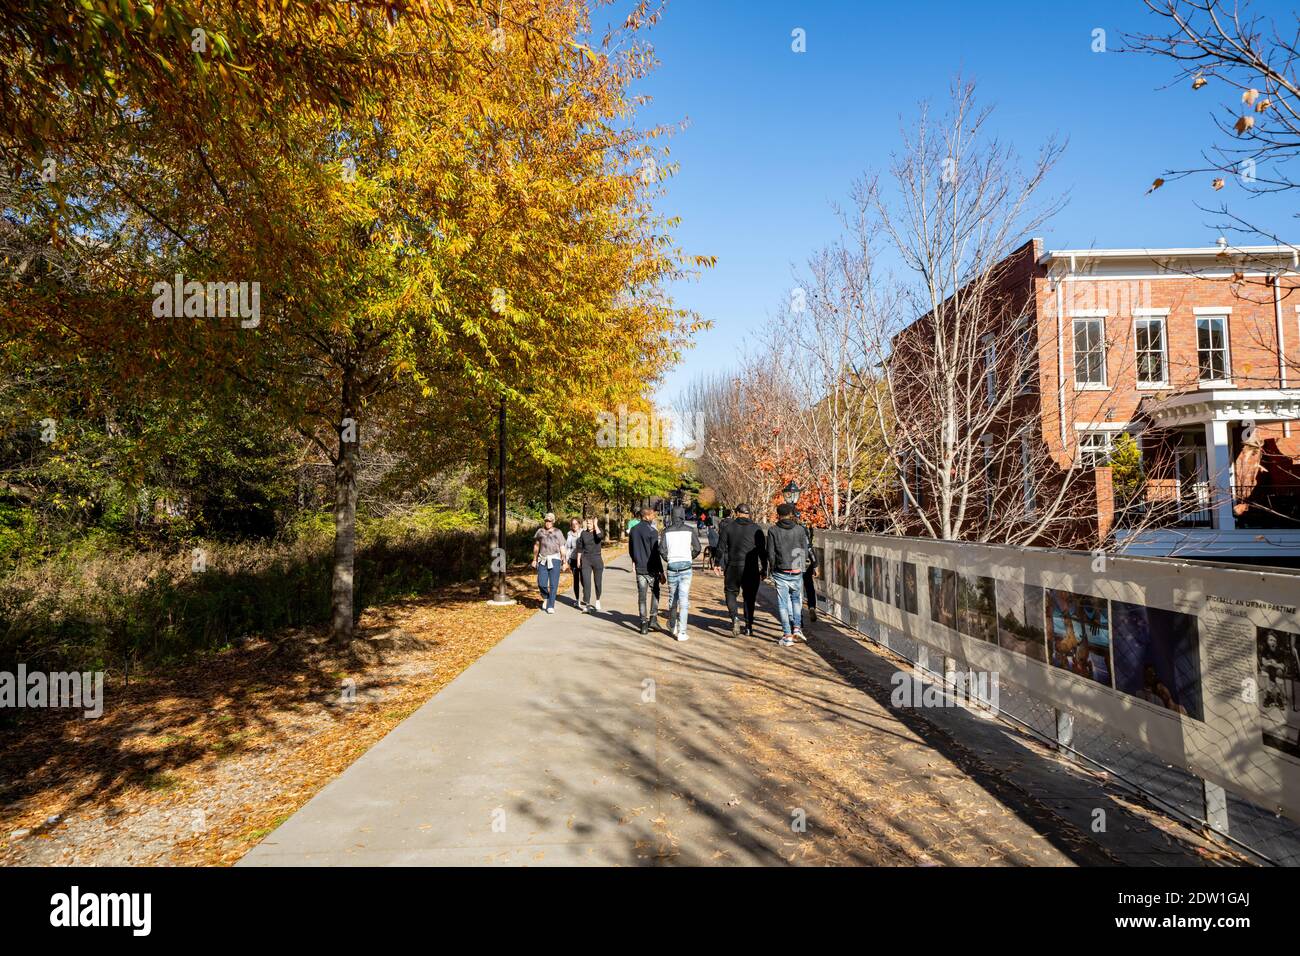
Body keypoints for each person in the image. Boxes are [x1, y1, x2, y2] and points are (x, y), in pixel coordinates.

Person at [714, 503, 765, 637]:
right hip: (751, 567)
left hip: (733, 566)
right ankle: (748, 627)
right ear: (749, 514)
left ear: (737, 513)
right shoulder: (756, 528)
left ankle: (735, 618)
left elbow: (720, 547)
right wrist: (765, 567)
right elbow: (762, 551)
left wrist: (717, 562)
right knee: (749, 597)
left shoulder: (728, 527)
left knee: (730, 592)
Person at [766, 503, 808, 646]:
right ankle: (797, 628)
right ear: (791, 514)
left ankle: (787, 635)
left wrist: (772, 568)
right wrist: (800, 567)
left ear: (778, 514)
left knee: (783, 604)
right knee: (796, 600)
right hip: (796, 570)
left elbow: (770, 553)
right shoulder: (800, 530)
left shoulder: (773, 530)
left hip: (780, 570)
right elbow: (804, 550)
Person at [658, 506, 701, 641]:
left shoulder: (666, 531)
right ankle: (682, 632)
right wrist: (689, 557)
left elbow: (662, 550)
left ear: (672, 516)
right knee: (684, 599)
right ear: (683, 516)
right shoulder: (690, 530)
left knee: (673, 598)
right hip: (685, 567)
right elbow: (698, 548)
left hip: (672, 567)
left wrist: (668, 559)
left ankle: (672, 625)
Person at [628, 507, 663, 634]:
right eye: (652, 514)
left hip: (640, 567)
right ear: (646, 516)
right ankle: (653, 618)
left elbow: (631, 550)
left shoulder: (633, 530)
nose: (654, 516)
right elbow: (655, 553)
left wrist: (636, 560)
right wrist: (661, 571)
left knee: (642, 596)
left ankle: (643, 623)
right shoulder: (652, 531)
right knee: (655, 592)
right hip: (652, 568)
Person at [532, 512, 568, 614]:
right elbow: (536, 546)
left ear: (553, 522)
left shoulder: (558, 532)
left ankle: (551, 605)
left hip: (555, 560)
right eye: (546, 520)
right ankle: (546, 597)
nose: (548, 522)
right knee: (541, 583)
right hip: (542, 559)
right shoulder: (540, 531)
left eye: (550, 521)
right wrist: (534, 559)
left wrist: (564, 561)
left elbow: (562, 547)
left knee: (553, 584)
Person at [575, 516, 605, 613]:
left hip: (597, 559)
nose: (588, 525)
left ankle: (597, 600)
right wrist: (579, 560)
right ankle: (587, 604)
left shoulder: (598, 531)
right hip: (586, 559)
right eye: (587, 523)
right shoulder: (583, 533)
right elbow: (580, 547)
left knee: (598, 582)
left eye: (590, 523)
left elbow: (600, 537)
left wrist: (596, 525)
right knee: (586, 583)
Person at [802, 523, 818, 623]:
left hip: (792, 563)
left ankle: (797, 616)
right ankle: (811, 606)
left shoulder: (787, 529)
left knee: (795, 590)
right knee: (809, 586)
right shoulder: (804, 529)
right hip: (806, 562)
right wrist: (815, 564)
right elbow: (809, 548)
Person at [565, 517, 582, 608]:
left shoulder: (583, 532)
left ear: (579, 524)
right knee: (576, 579)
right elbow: (567, 547)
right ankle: (577, 599)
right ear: (571, 525)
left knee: (583, 579)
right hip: (573, 560)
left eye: (576, 523)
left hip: (583, 560)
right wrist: (566, 560)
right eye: (573, 524)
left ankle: (585, 594)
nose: (574, 525)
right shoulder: (569, 534)